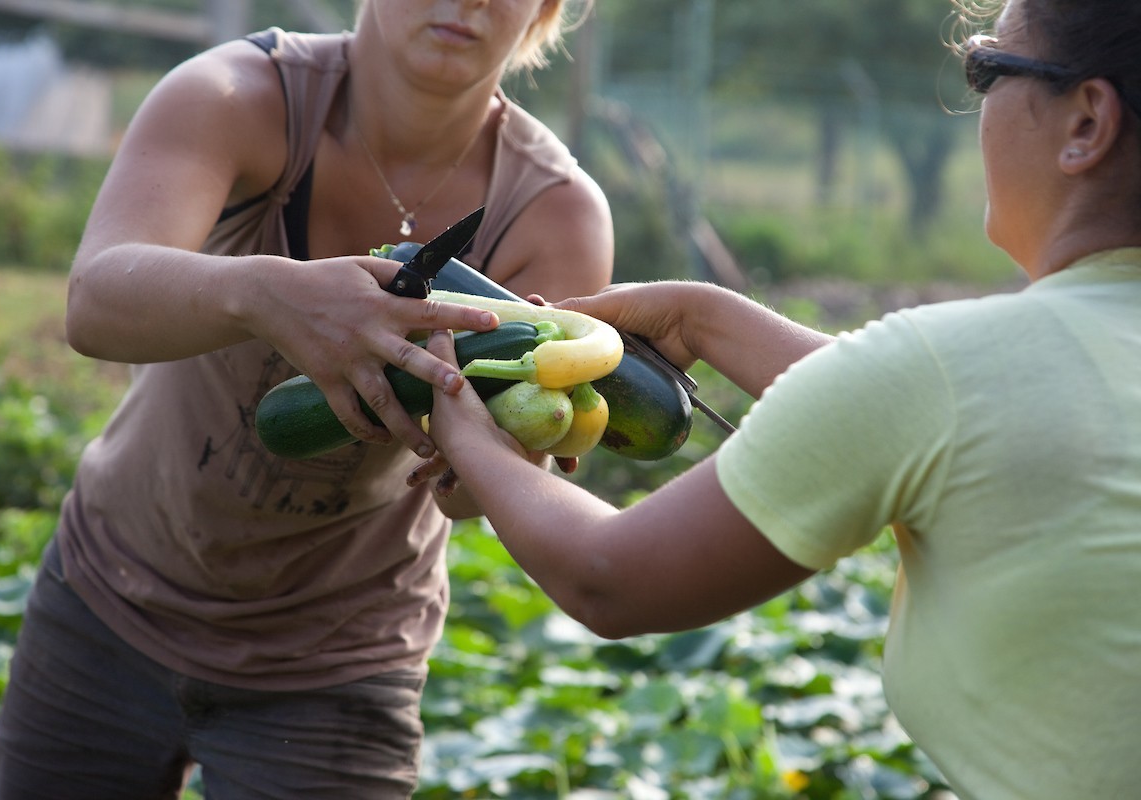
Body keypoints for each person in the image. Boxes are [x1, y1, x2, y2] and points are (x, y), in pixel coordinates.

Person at [418, 0, 1141, 797]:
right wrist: (704, 316)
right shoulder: (977, 376)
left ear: (1087, 123)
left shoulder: (942, 371)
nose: (977, 106)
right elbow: (943, 406)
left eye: (985, 67)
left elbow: (609, 575)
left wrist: (462, 416)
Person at [0, 1, 611, 798]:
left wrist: (484, 471)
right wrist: (262, 294)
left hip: (340, 659)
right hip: (108, 598)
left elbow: (504, 465)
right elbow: (94, 301)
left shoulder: (553, 213)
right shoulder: (235, 96)